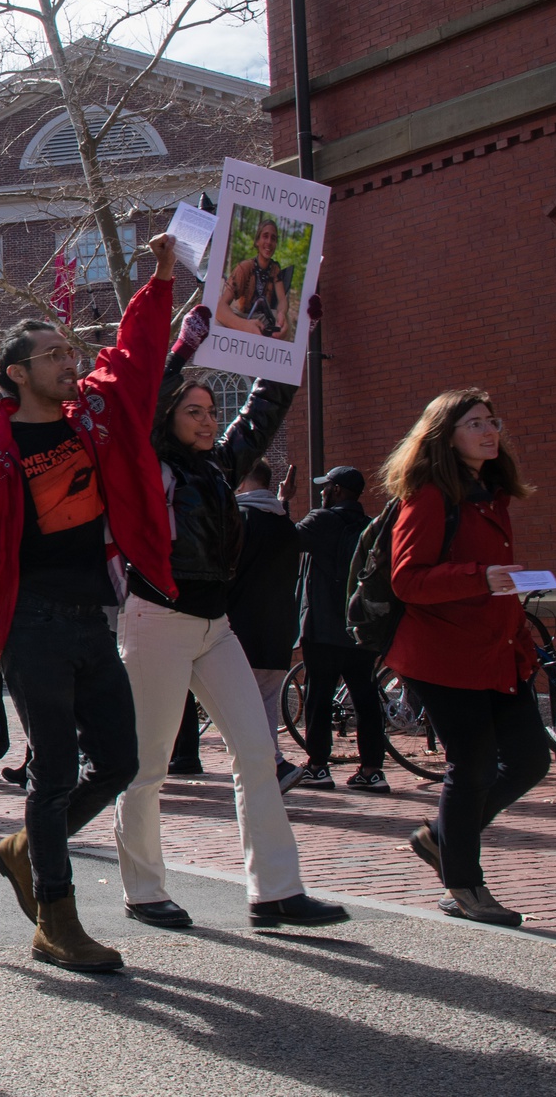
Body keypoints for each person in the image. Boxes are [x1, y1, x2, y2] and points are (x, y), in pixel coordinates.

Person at [0, 239, 175, 973]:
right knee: (56, 772)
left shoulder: (95, 415)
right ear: (18, 373)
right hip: (30, 623)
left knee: (123, 762)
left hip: (93, 615)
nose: (72, 365)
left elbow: (134, 359)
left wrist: (162, 281)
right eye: (55, 357)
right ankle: (57, 918)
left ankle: (22, 851)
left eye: (72, 354)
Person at [110, 307, 345, 934]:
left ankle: (274, 893)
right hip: (156, 618)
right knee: (148, 762)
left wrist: (294, 338)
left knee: (257, 753)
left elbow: (265, 407)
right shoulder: (145, 462)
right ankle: (143, 889)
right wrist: (187, 342)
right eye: (195, 410)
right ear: (168, 418)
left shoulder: (219, 468)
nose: (211, 419)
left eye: (214, 411)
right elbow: (142, 397)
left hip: (216, 626)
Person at [383, 390, 549, 926]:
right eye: (474, 422)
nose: (489, 430)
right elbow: (407, 579)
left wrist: (508, 587)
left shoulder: (490, 493)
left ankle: (440, 839)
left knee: (529, 760)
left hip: (498, 652)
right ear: (445, 435)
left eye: (491, 421)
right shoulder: (429, 494)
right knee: (472, 766)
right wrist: (480, 578)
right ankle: (464, 885)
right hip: (443, 655)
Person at [292, 466, 386, 790]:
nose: (322, 492)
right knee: (366, 699)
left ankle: (318, 767)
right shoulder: (371, 526)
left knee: (318, 697)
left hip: (323, 630)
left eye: (326, 487)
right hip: (361, 629)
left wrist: (282, 501)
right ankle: (372, 770)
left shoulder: (322, 520)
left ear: (337, 490)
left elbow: (285, 540)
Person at [228, 458, 308, 791]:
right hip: (278, 628)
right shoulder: (285, 526)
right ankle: (272, 765)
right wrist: (283, 499)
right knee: (265, 702)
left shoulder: (237, 520)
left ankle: (271, 765)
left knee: (239, 706)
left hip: (239, 626)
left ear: (244, 481)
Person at [215, 217, 291, 338]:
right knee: (217, 323)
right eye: (265, 236)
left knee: (286, 323)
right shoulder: (244, 268)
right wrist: (245, 327)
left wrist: (282, 313)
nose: (269, 242)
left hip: (262, 318)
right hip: (242, 316)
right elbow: (220, 307)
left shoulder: (275, 269)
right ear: (257, 241)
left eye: (273, 238)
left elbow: (282, 300)